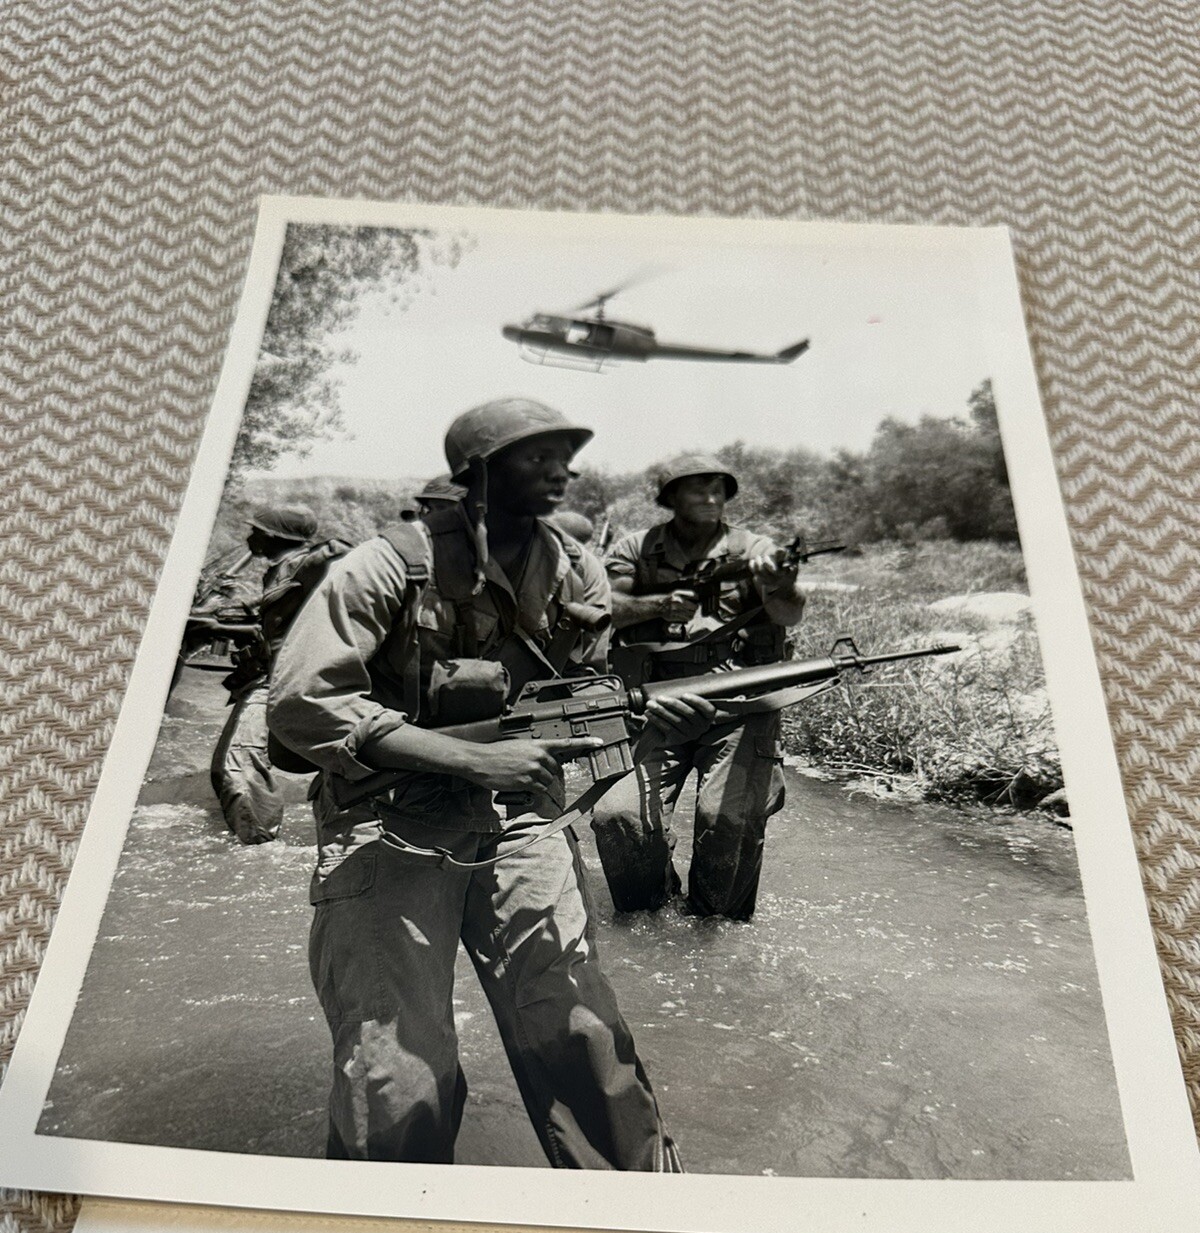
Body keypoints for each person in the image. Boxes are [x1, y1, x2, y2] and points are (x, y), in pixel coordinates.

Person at [268, 398, 705, 1168]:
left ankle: (646, 1222)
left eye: (566, 456)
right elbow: (304, 705)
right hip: (387, 823)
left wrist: (640, 725)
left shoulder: (577, 569)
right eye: (537, 457)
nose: (560, 472)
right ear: (478, 472)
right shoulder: (386, 565)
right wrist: (468, 758)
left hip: (522, 821)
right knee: (395, 1070)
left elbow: (581, 699)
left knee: (582, 1033)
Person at [591, 454, 807, 921]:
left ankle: (717, 930)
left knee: (726, 820)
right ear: (670, 498)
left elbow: (789, 614)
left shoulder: (755, 549)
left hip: (739, 706)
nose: (711, 499)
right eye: (697, 489)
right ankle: (649, 917)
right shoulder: (637, 548)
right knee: (617, 817)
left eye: (718, 490)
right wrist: (658, 606)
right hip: (650, 706)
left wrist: (779, 584)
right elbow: (604, 605)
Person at [209, 504, 352, 844]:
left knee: (237, 763)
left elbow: (341, 553)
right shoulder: (278, 570)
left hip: (286, 681)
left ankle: (255, 846)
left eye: (255, 531)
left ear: (273, 536)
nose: (248, 537)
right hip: (275, 678)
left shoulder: (301, 565)